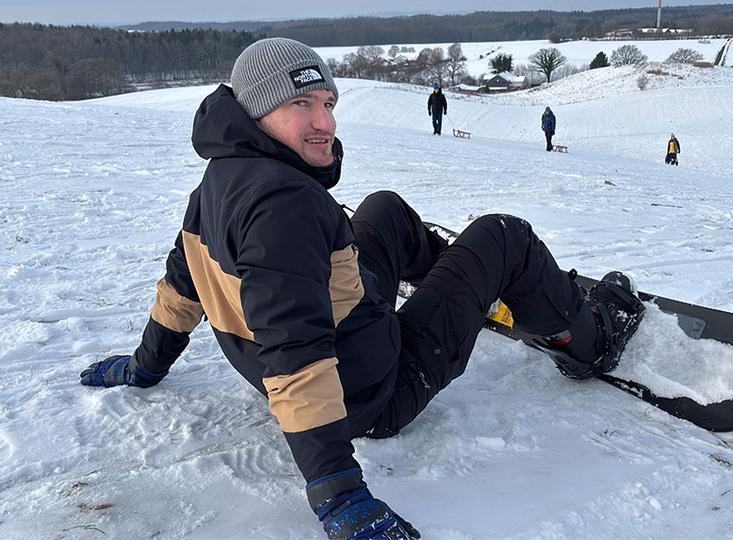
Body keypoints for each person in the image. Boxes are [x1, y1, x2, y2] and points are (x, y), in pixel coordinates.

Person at [79, 38, 646, 540]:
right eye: (300, 104)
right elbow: (294, 351)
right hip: (374, 392)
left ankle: (469, 288)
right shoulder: (287, 209)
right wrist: (339, 496)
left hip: (351, 330)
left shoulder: (215, 183)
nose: (324, 121)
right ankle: (591, 341)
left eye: (326, 104)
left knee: (384, 210)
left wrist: (143, 367)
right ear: (256, 111)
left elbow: (181, 291)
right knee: (504, 235)